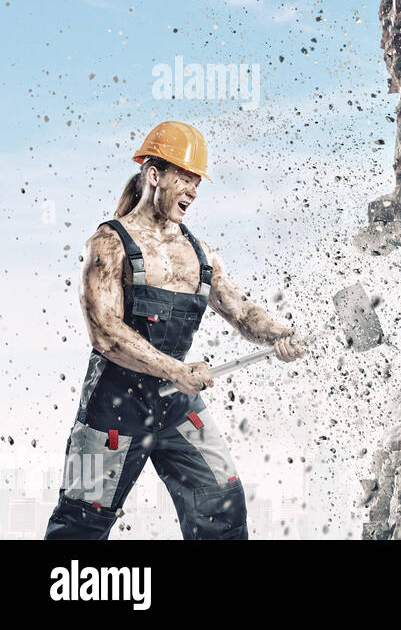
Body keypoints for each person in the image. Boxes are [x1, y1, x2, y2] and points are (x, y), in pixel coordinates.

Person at [45, 121, 308, 540]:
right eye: (184, 179)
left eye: (196, 182)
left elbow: (242, 312)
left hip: (175, 407)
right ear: (155, 175)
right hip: (112, 407)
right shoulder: (109, 242)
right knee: (81, 522)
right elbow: (105, 334)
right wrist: (176, 371)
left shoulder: (201, 256)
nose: (193, 191)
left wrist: (281, 334)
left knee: (222, 504)